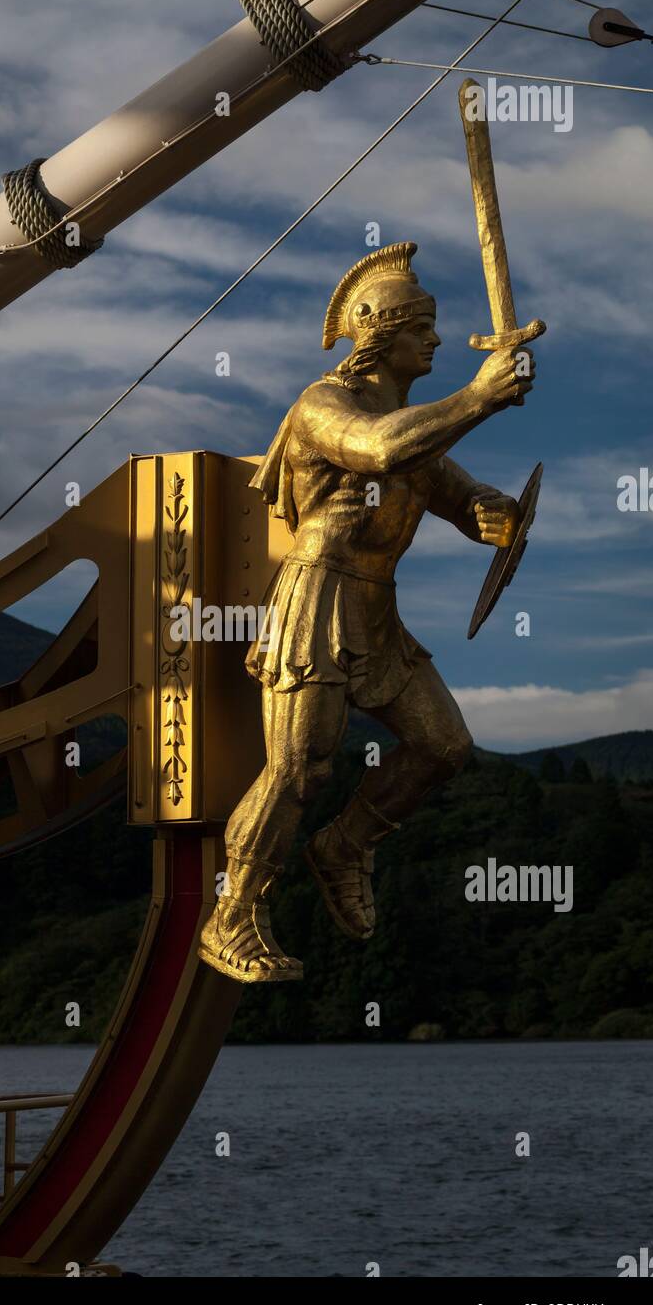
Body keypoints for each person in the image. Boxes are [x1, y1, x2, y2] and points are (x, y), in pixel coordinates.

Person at [198, 242, 535, 983]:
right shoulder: (327, 406)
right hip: (317, 600)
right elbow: (377, 451)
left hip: (377, 613)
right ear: (380, 332)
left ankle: (345, 847)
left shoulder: (418, 428)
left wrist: (493, 512)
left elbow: (457, 495)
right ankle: (231, 916)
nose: (438, 341)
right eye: (424, 327)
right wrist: (481, 396)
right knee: (298, 770)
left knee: (443, 747)